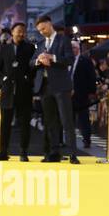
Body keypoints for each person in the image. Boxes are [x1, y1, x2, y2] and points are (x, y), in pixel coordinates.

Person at [31, 15, 77, 163]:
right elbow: (31, 62)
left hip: (61, 86)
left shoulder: (64, 40)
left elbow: (69, 59)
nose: (42, 32)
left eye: (43, 28)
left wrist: (52, 58)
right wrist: (39, 60)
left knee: (66, 121)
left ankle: (72, 154)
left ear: (50, 24)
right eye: (39, 30)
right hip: (45, 87)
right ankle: (53, 153)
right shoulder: (40, 43)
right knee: (50, 122)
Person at [0, 21, 35, 160]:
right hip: (7, 91)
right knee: (4, 124)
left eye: (23, 31)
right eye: (18, 31)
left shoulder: (30, 48)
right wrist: (3, 78)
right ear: (12, 32)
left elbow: (34, 67)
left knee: (24, 124)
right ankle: (3, 152)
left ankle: (23, 153)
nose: (21, 33)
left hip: (24, 91)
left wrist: (29, 79)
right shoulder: (5, 48)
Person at [71, 38, 98, 150]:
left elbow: (92, 77)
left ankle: (86, 139)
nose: (71, 50)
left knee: (83, 118)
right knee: (69, 119)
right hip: (67, 94)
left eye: (72, 48)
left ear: (77, 49)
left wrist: (92, 91)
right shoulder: (67, 60)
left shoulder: (86, 60)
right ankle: (68, 141)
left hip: (82, 93)